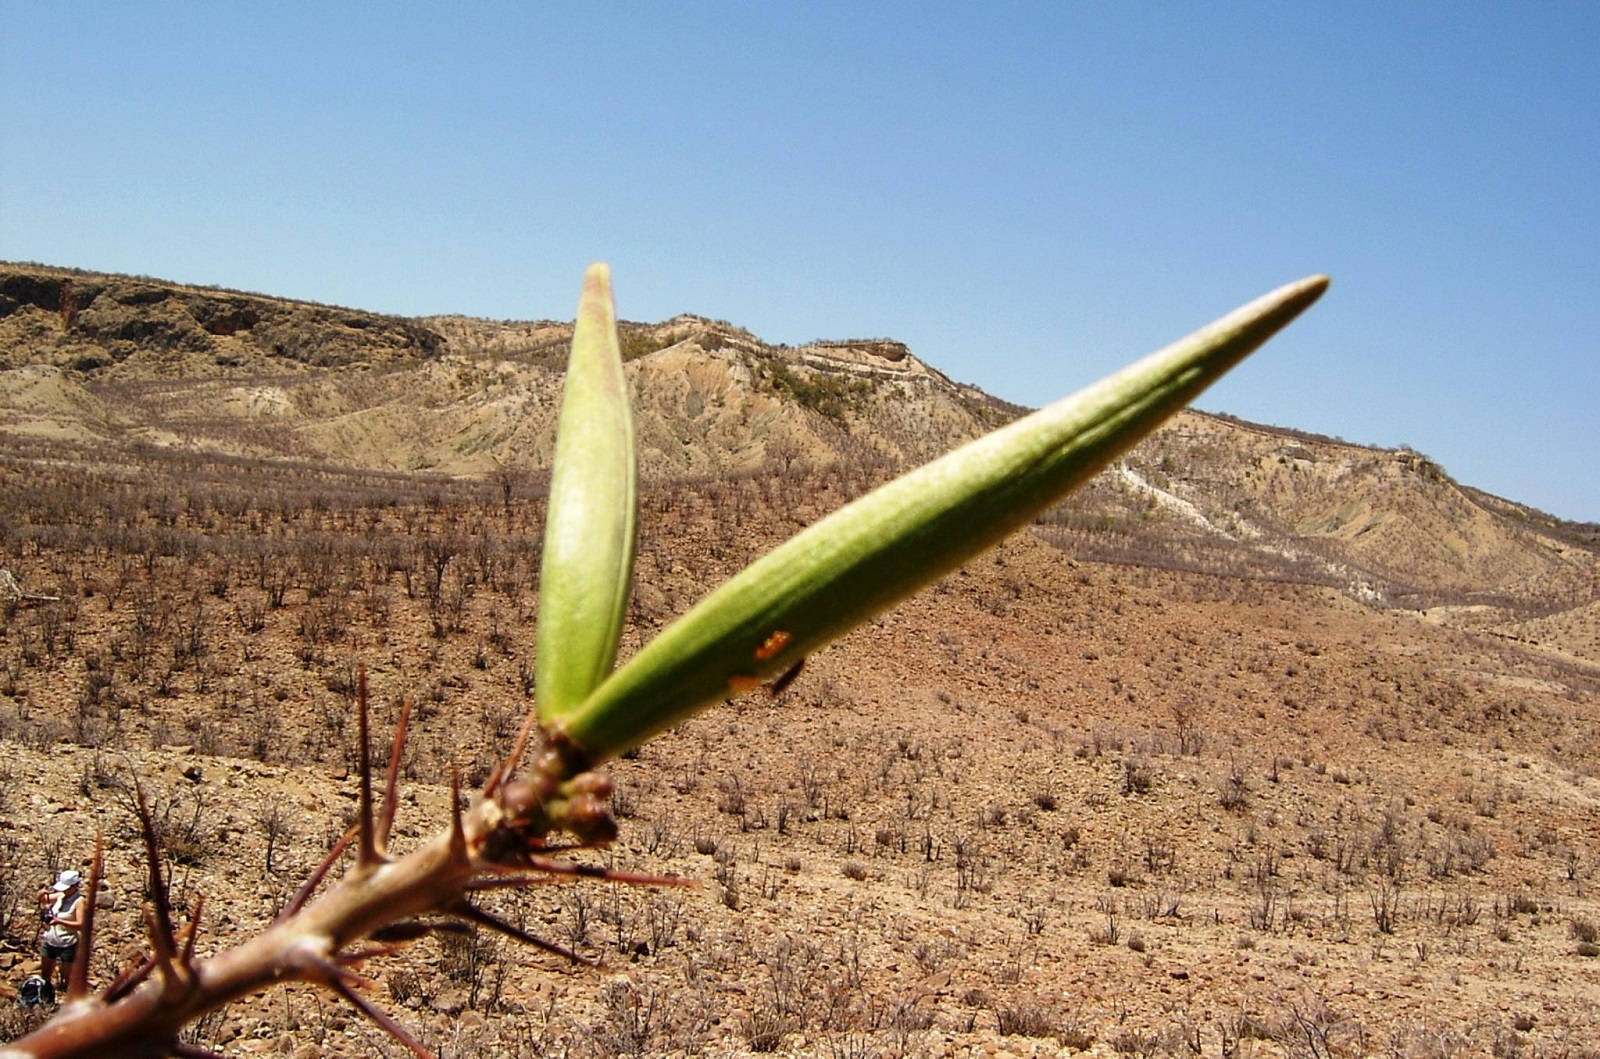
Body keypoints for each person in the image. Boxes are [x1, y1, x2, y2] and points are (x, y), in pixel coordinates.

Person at [36, 869, 86, 998]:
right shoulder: (60, 896)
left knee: (67, 977)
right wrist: (41, 894)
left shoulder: (79, 901)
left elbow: (81, 925)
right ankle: (46, 996)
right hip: (51, 940)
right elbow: (44, 900)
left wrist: (59, 921)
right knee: (45, 974)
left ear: (75, 886)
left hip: (67, 943)